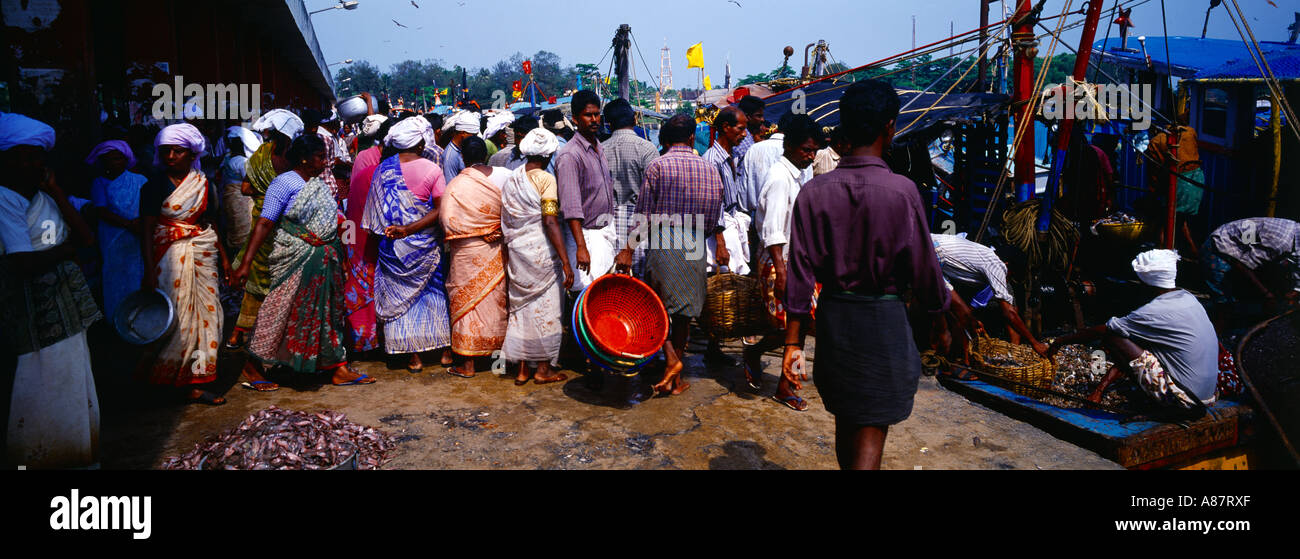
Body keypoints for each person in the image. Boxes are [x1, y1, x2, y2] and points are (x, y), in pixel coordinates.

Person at [780, 80, 949, 469]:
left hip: (836, 323)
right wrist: (941, 321)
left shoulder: (814, 192)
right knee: (870, 431)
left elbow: (799, 276)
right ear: (890, 127)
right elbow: (926, 272)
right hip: (883, 323)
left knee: (848, 421)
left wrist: (793, 344)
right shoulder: (902, 191)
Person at [233, 133, 376, 388]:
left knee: (329, 313)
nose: (324, 162)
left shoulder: (318, 183)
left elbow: (334, 222)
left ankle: (337, 367)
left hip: (325, 258)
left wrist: (342, 256)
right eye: (320, 157)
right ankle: (253, 366)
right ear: (304, 158)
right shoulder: (284, 183)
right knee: (280, 310)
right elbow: (265, 223)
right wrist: (246, 262)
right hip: (295, 259)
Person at [0, 112, 102, 468]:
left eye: (36, 155)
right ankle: (40, 453)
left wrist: (56, 191)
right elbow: (22, 262)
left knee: (72, 372)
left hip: (65, 302)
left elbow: (87, 238)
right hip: (32, 307)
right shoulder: (5, 200)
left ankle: (74, 448)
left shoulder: (46, 196)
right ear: (6, 159)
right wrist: (65, 250)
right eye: (22, 155)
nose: (30, 162)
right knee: (36, 378)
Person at [615, 114, 728, 397]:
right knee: (684, 314)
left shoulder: (657, 167)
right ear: (692, 138)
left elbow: (643, 215)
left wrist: (628, 249)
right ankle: (676, 372)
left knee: (658, 308)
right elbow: (715, 216)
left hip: (664, 240)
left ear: (664, 141)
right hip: (694, 242)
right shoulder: (709, 169)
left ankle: (672, 363)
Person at [1047, 249, 1218, 412]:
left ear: (1147, 283)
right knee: (1130, 338)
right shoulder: (1188, 297)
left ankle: (1165, 404)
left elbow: (1108, 332)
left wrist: (1060, 341)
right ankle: (1105, 390)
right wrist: (1100, 389)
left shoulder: (1153, 311)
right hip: (1207, 396)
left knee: (1114, 337)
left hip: (1186, 401)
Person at [139, 123, 231, 404]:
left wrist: (225, 259)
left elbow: (212, 222)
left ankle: (196, 381)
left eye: (177, 152)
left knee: (207, 316)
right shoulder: (153, 186)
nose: (170, 157)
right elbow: (146, 228)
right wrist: (148, 269)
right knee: (175, 318)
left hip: (203, 252)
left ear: (192, 154)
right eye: (165, 152)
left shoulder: (205, 185)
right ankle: (163, 378)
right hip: (168, 258)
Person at [363, 116, 452, 373]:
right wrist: (412, 230)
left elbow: (374, 216)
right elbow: (440, 209)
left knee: (404, 303)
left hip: (393, 248)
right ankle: (444, 351)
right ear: (420, 144)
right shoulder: (432, 169)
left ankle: (413, 357)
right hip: (425, 245)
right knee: (434, 295)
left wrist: (401, 231)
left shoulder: (382, 169)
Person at [745, 113, 821, 411]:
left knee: (802, 324)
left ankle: (785, 382)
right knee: (790, 325)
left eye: (814, 151)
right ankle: (772, 370)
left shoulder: (800, 173)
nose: (811, 156)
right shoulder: (779, 178)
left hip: (798, 262)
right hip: (780, 262)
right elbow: (773, 229)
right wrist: (781, 272)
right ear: (789, 146)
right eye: (806, 150)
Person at [501, 128, 573, 385]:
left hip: (518, 252)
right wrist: (566, 260)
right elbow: (550, 221)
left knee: (521, 309)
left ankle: (521, 368)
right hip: (542, 253)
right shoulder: (546, 180)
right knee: (547, 309)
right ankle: (543, 369)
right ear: (549, 155)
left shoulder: (512, 179)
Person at [226, 109, 302, 350]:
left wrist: (265, 194)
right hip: (287, 226)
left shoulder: (260, 154)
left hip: (261, 222)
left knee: (256, 281)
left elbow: (246, 189)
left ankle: (238, 333)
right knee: (285, 282)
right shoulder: (295, 160)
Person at [440, 136, 510, 378]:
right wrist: (496, 230)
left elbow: (447, 222)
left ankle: (467, 365)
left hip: (466, 253)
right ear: (487, 155)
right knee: (497, 306)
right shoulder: (505, 176)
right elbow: (515, 211)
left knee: (467, 307)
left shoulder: (455, 185)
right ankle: (497, 364)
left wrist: (475, 232)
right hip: (496, 250)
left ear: (462, 158)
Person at [931, 232, 1048, 362]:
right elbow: (1009, 313)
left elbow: (971, 308)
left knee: (961, 315)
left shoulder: (986, 272)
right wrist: (1034, 342)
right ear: (1007, 265)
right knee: (952, 320)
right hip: (930, 251)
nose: (1006, 281)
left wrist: (974, 321)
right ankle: (960, 363)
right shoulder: (996, 265)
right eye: (1010, 276)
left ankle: (959, 362)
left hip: (937, 262)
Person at [556, 90, 618, 294]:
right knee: (586, 296)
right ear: (575, 118)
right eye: (588, 115)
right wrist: (581, 247)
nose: (594, 120)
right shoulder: (570, 155)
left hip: (604, 233)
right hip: (586, 237)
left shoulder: (598, 147)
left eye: (596, 114)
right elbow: (571, 206)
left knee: (603, 294)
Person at [343, 116, 394, 354]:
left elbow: (351, 205)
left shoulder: (365, 170)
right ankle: (378, 341)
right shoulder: (386, 176)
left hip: (353, 237)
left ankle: (361, 340)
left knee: (358, 286)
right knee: (375, 286)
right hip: (371, 239)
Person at [84, 140, 148, 322]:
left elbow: (149, 206)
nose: (115, 163)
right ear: (103, 162)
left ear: (126, 159)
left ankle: (142, 317)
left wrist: (140, 223)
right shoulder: (99, 183)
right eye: (110, 159)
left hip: (138, 237)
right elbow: (101, 211)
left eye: (119, 158)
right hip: (113, 238)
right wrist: (129, 224)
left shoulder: (140, 180)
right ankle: (119, 319)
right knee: (116, 276)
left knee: (139, 273)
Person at [741, 112, 810, 272]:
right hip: (782, 246)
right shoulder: (796, 159)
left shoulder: (754, 149)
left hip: (756, 224)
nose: (811, 156)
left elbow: (744, 195)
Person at [1201, 217, 1300, 329]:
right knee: (1225, 305)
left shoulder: (1295, 236)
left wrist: (1295, 291)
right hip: (1220, 246)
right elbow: (1243, 265)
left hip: (1243, 251)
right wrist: (1267, 295)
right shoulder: (1282, 242)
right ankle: (1215, 337)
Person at [601, 98, 658, 278]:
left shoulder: (600, 150)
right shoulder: (647, 149)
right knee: (640, 285)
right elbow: (653, 196)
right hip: (640, 223)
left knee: (612, 280)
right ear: (634, 119)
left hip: (608, 223)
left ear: (609, 124)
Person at [703, 106, 752, 277]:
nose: (745, 134)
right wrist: (721, 244)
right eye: (740, 129)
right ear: (725, 127)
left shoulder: (731, 157)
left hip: (729, 225)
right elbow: (712, 205)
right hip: (719, 233)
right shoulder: (712, 160)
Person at [216, 126, 261, 256]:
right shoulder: (242, 162)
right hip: (240, 197)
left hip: (229, 197)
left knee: (233, 226)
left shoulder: (227, 157)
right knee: (243, 228)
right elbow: (251, 181)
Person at [441, 110, 480, 184]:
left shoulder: (463, 149)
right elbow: (450, 185)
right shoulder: (450, 157)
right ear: (463, 133)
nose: (475, 138)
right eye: (474, 135)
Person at [734, 95, 767, 161]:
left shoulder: (753, 134)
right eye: (758, 116)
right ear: (747, 117)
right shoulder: (742, 141)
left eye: (762, 116)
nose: (762, 119)